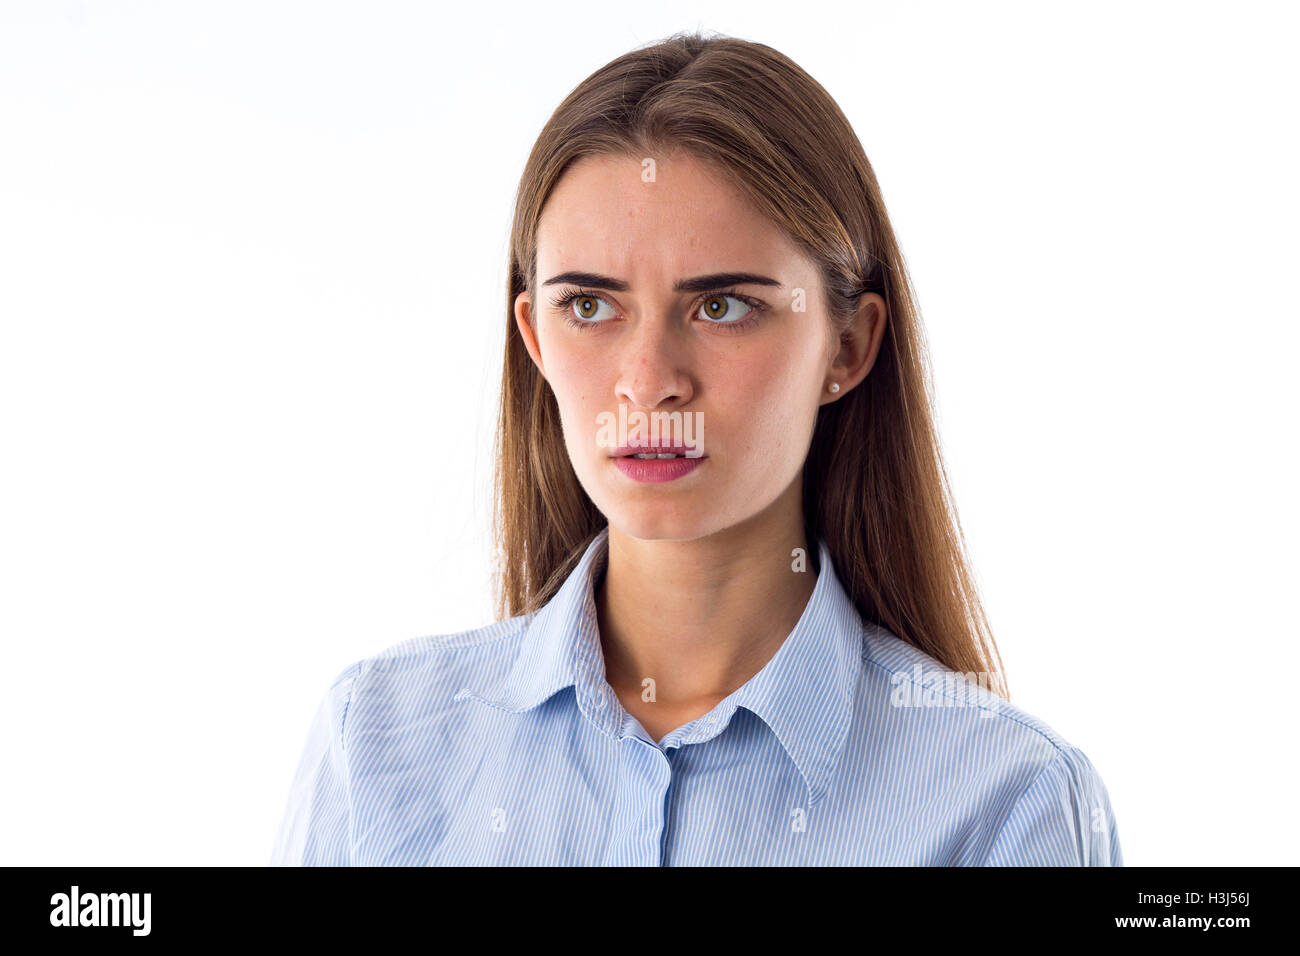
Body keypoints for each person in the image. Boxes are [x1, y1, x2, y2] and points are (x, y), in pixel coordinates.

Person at [272, 29, 1122, 866]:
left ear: (847, 347)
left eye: (722, 306)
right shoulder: (376, 749)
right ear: (534, 340)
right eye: (590, 307)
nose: (649, 383)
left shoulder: (1005, 805)